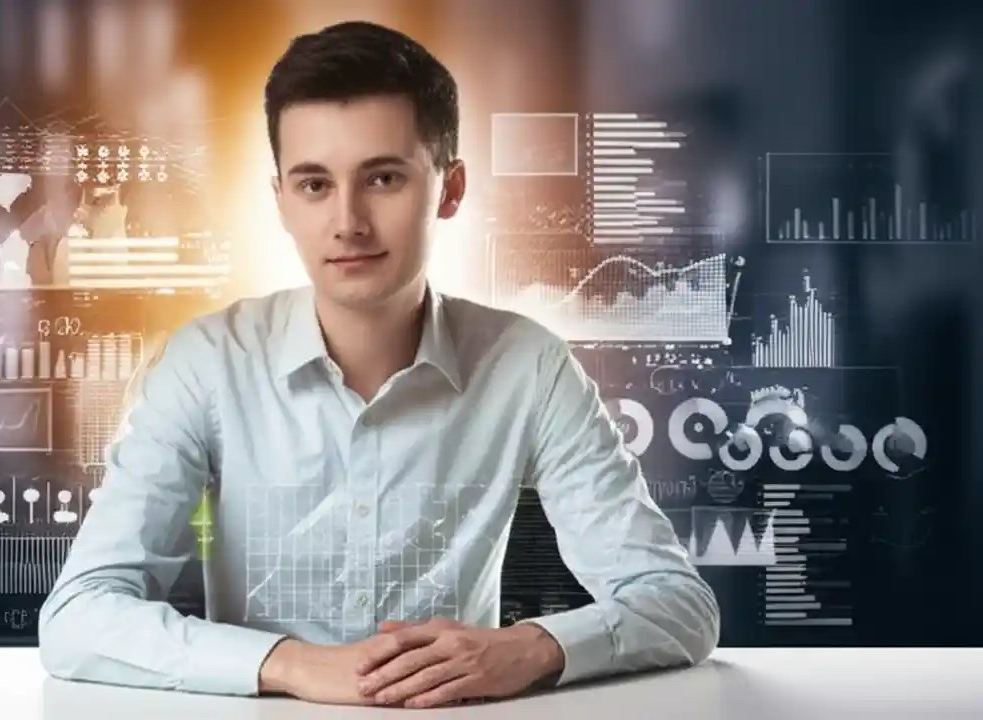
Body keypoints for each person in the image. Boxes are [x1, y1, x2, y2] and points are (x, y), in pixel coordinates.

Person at [38, 20, 719, 708]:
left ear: (449, 190)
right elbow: (78, 618)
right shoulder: (209, 363)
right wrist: (290, 663)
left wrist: (531, 648)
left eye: (384, 178)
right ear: (279, 202)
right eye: (313, 185)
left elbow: (679, 606)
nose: (348, 221)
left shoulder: (528, 366)